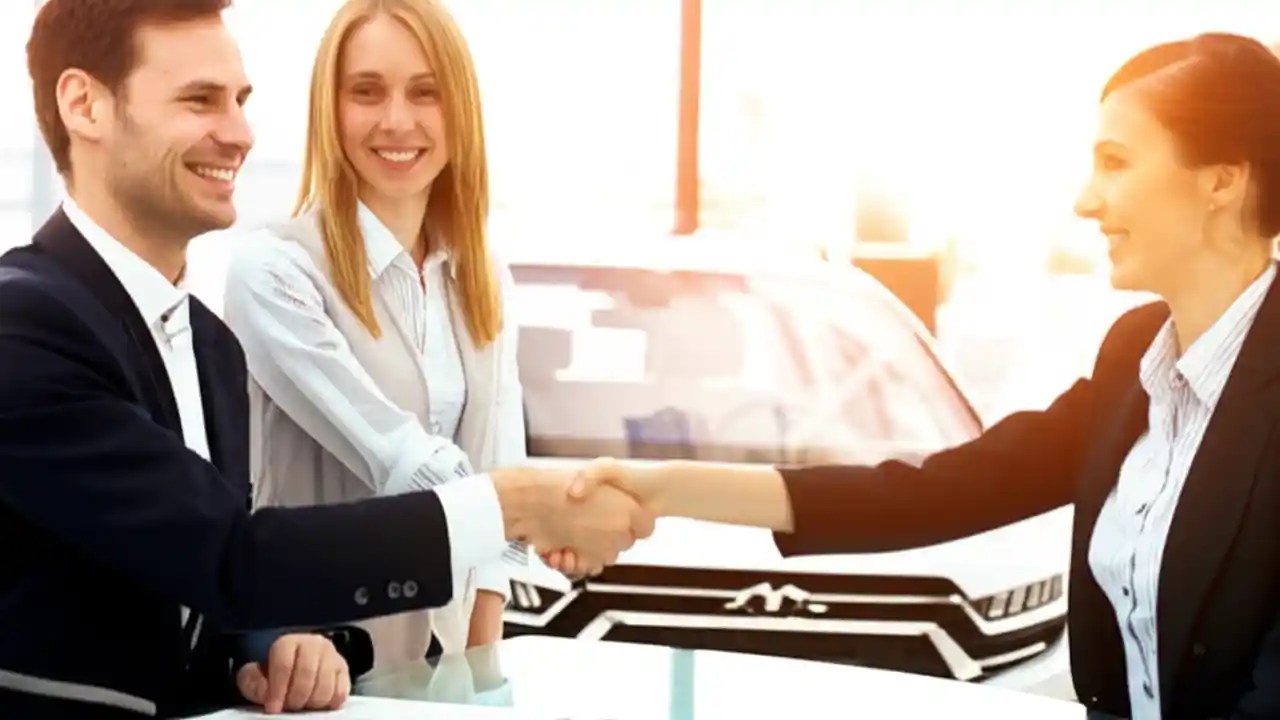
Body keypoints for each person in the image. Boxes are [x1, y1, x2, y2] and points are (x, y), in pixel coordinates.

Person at [552, 32, 1280, 720]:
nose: (1086, 201)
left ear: (1221, 181)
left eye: (1116, 163)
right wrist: (663, 488)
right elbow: (934, 493)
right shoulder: (1134, 358)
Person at [0, 1, 651, 717]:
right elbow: (231, 556)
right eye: (199, 101)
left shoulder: (207, 344)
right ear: (83, 104)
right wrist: (521, 506)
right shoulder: (22, 323)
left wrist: (265, 647)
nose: (240, 134)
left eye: (240, 102)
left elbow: (183, 576)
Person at [222, 0, 519, 669]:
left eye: (426, 92)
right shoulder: (275, 270)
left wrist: (482, 668)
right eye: (366, 92)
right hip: (315, 670)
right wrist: (545, 509)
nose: (396, 120)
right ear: (331, 110)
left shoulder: (482, 277)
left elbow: (502, 456)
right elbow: (402, 462)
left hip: (445, 675)